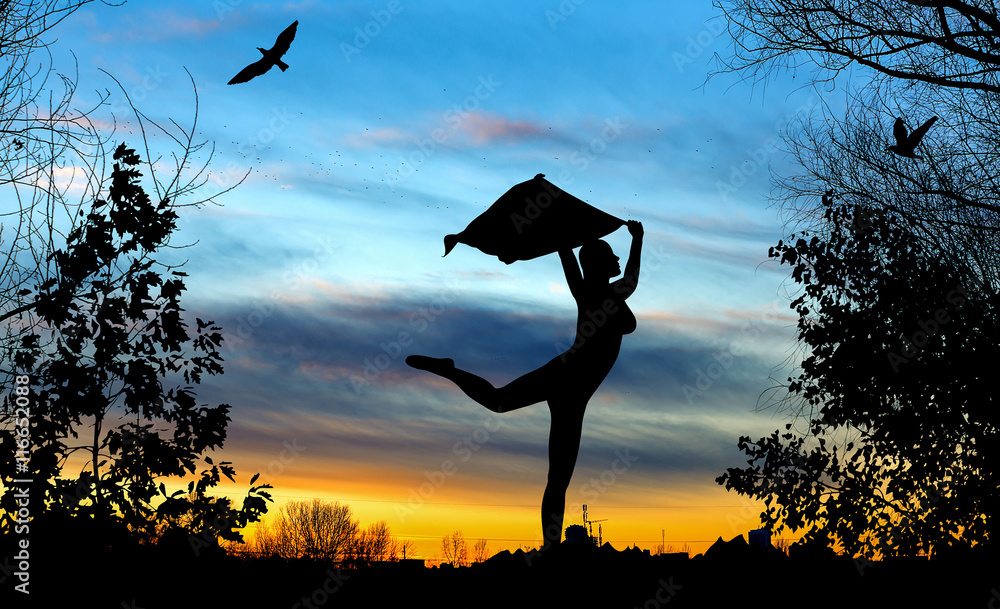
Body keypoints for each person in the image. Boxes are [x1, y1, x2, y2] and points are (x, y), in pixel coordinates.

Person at [406, 220, 643, 551]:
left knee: (547, 464)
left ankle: (550, 547)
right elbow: (625, 277)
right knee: (545, 462)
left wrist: (565, 228)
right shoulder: (602, 292)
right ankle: (550, 547)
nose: (617, 260)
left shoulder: (595, 290)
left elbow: (576, 258)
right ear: (599, 265)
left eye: (617, 256)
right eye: (611, 256)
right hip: (568, 377)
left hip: (573, 388)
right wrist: (638, 239)